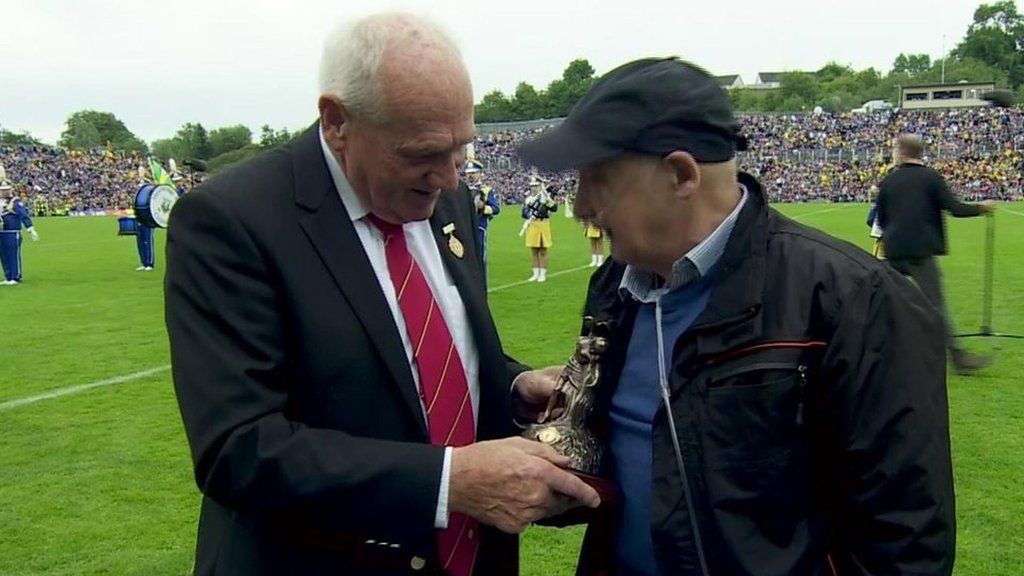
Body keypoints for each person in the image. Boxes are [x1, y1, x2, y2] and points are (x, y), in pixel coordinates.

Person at [164, 13, 598, 576]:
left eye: (461, 150)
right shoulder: (232, 221)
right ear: (337, 120)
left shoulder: (447, 201)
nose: (447, 177)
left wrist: (511, 387)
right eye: (422, 153)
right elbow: (239, 449)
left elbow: (432, 360)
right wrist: (447, 482)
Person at [518, 57, 955, 576]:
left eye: (600, 179)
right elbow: (637, 468)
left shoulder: (854, 299)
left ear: (681, 174)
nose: (580, 205)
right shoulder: (616, 285)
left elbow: (905, 535)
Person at [877, 133, 993, 375]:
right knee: (935, 306)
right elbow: (955, 209)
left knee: (884, 303)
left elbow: (882, 219)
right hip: (920, 253)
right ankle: (958, 358)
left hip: (894, 252)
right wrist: (981, 208)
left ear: (901, 151)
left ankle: (878, 354)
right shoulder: (931, 178)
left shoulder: (888, 181)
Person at [465, 158, 500, 284]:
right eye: (469, 173)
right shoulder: (463, 189)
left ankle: (481, 286)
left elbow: (496, 208)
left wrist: (482, 208)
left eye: (473, 173)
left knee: (480, 257)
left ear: (479, 173)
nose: (470, 175)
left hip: (479, 227)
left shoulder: (486, 190)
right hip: (465, 227)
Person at [0, 184, 40, 285]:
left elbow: (23, 215)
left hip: (12, 232)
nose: (3, 192)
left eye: (5, 190)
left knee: (13, 254)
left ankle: (15, 276)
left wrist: (30, 229)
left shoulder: (15, 202)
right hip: (1, 231)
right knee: (4, 256)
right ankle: (8, 276)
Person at [521, 176, 558, 282]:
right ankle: (535, 273)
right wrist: (529, 214)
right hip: (532, 224)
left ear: (540, 186)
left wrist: (547, 201)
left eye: (536, 186)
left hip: (543, 224)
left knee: (543, 250)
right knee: (534, 250)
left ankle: (542, 273)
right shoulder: (528, 199)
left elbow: (554, 208)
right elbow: (524, 213)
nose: (534, 188)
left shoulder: (544, 197)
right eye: (532, 186)